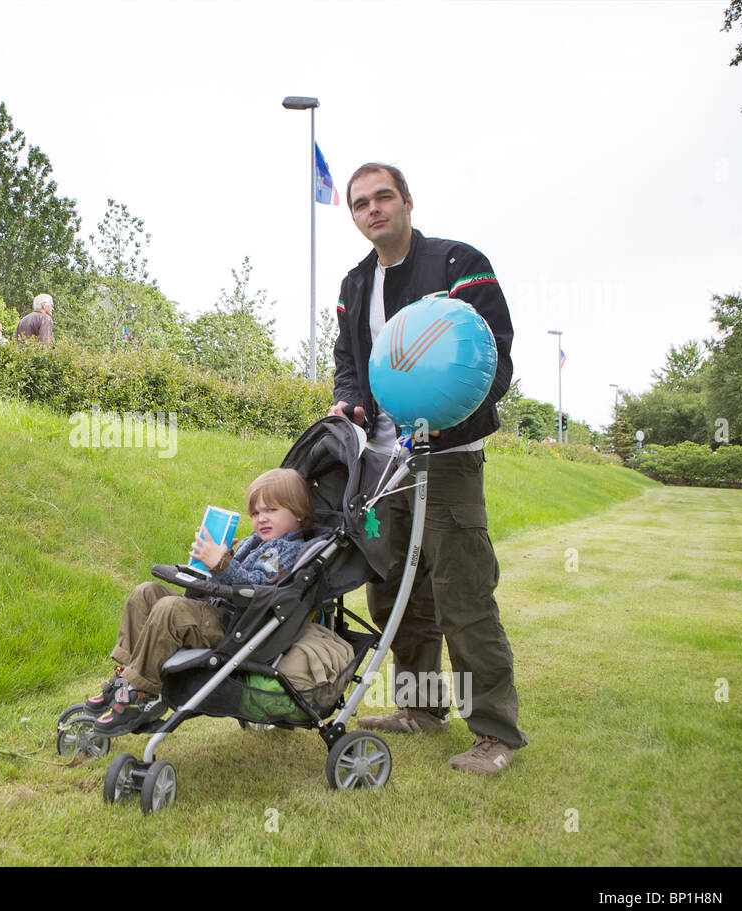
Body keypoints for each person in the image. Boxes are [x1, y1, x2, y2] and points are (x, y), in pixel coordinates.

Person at [330, 162, 527, 774]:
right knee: (392, 591)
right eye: (360, 203)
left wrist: (452, 414)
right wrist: (350, 401)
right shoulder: (355, 283)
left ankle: (494, 733)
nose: (373, 210)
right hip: (381, 463)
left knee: (463, 593)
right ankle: (419, 709)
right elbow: (348, 362)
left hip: (449, 459)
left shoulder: (457, 264)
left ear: (408, 201)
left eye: (383, 197)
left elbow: (495, 354)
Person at [89, 468, 318, 736]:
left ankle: (141, 695)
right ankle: (126, 677)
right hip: (215, 609)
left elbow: (259, 585)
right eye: (255, 513)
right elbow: (239, 571)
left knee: (170, 609)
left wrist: (222, 562)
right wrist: (216, 556)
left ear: (299, 513)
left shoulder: (287, 550)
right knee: (146, 593)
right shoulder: (256, 541)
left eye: (271, 510)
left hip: (235, 625)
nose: (261, 519)